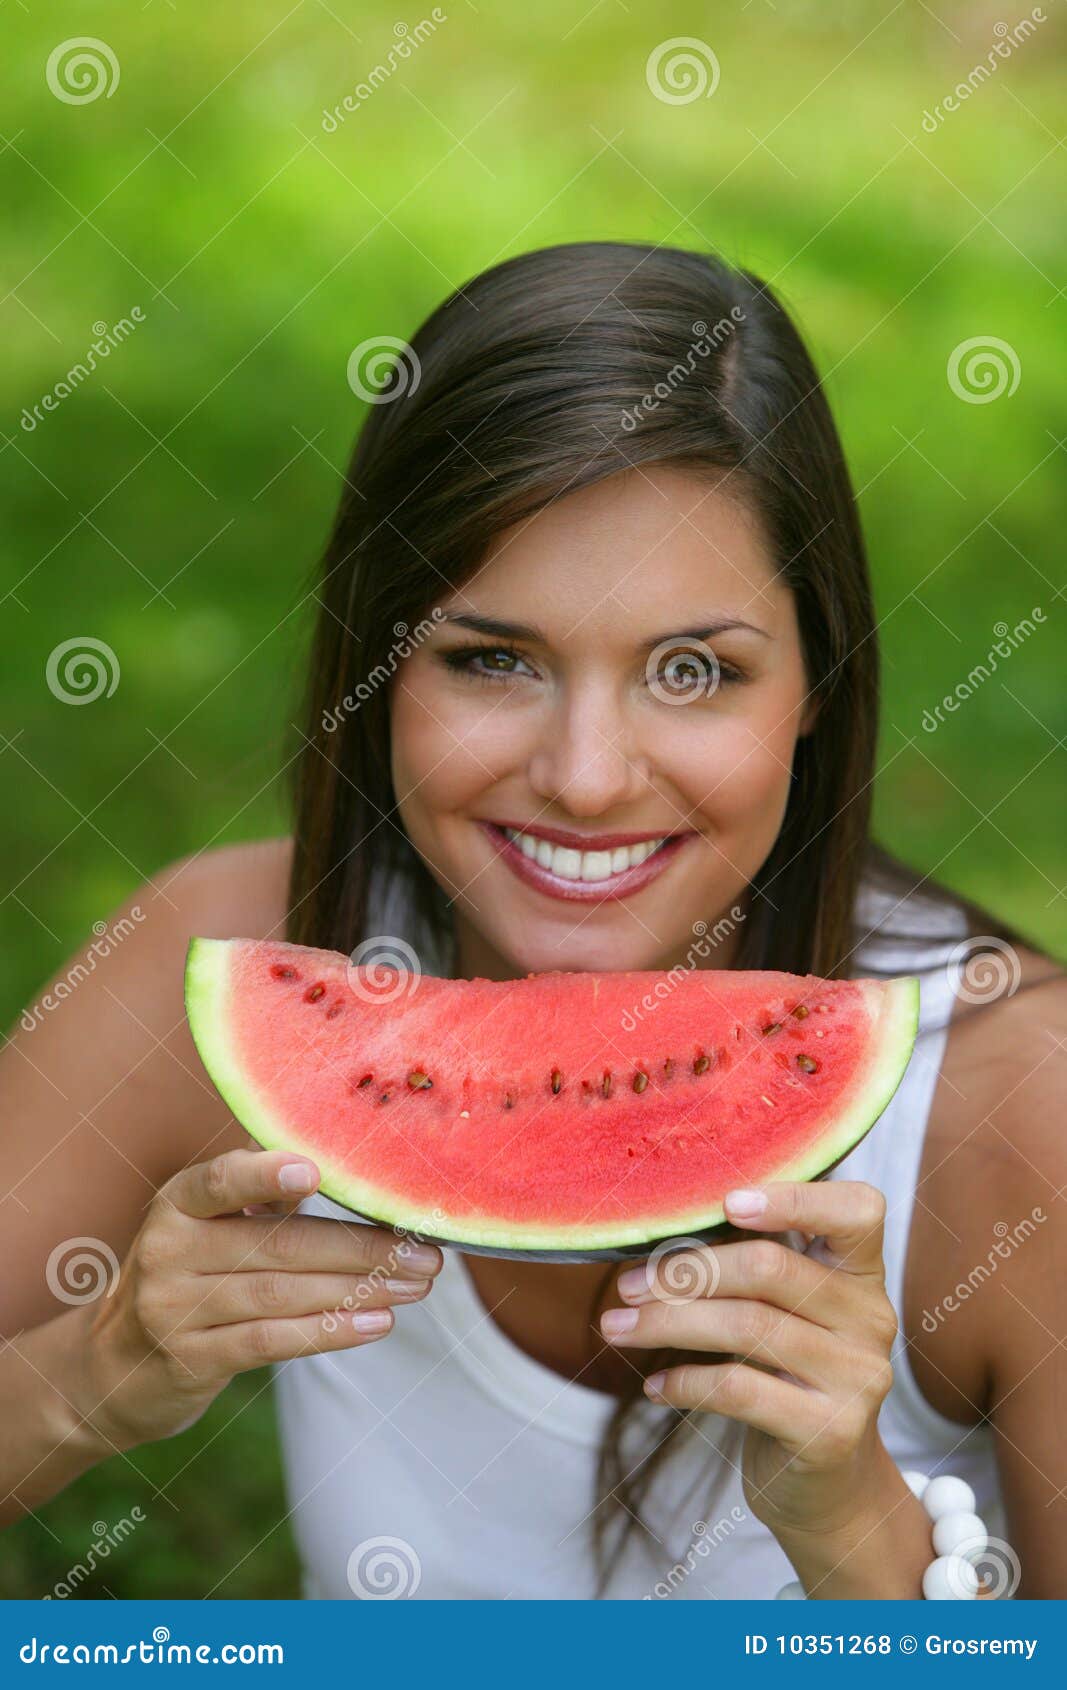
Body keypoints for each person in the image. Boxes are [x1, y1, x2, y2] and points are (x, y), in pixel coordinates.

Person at [3, 243, 1064, 1600]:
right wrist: (87, 1376)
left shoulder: (1015, 1111)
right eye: (491, 658)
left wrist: (851, 1520)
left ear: (815, 686)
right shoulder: (207, 965)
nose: (585, 773)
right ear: (376, 670)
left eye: (695, 670)